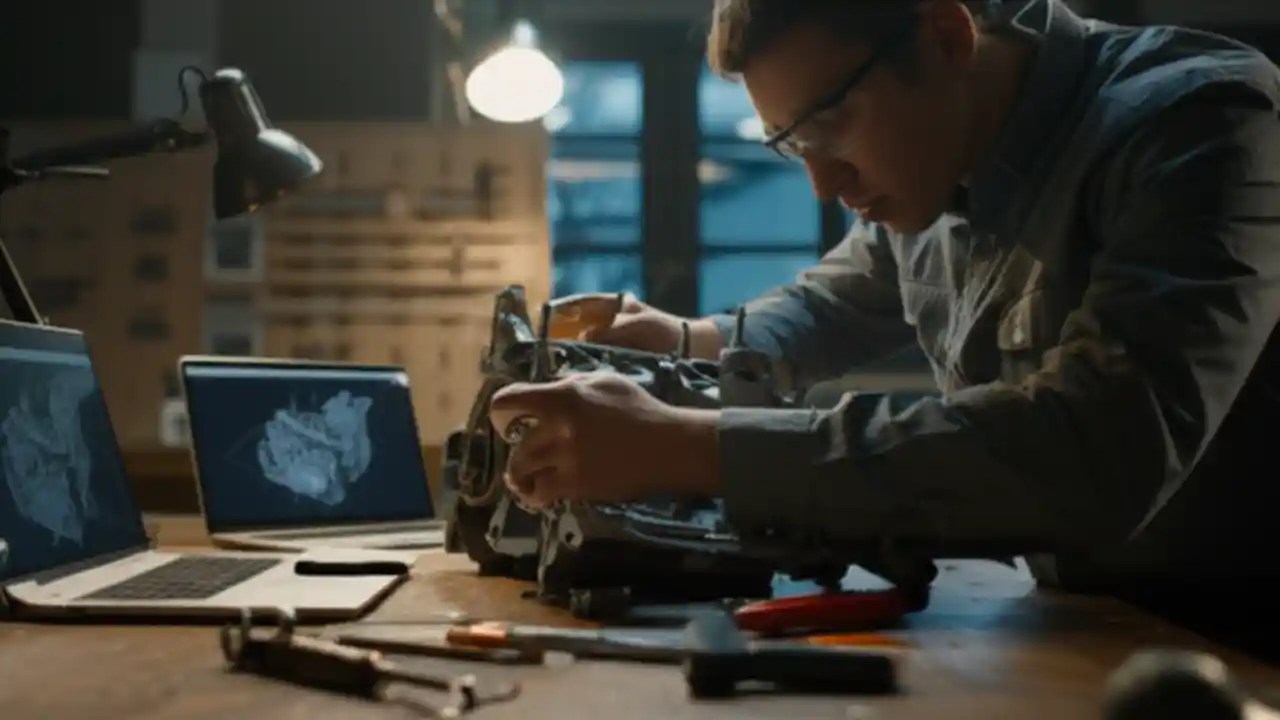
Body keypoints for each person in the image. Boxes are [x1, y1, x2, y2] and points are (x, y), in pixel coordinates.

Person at [491, 0, 1280, 653]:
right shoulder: (938, 161)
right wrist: (688, 342)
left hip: (1239, 658)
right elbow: (831, 303)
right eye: (793, 144)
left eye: (831, 127)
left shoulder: (1202, 124)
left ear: (943, 36)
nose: (824, 184)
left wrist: (688, 445)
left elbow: (1094, 449)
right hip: (1089, 636)